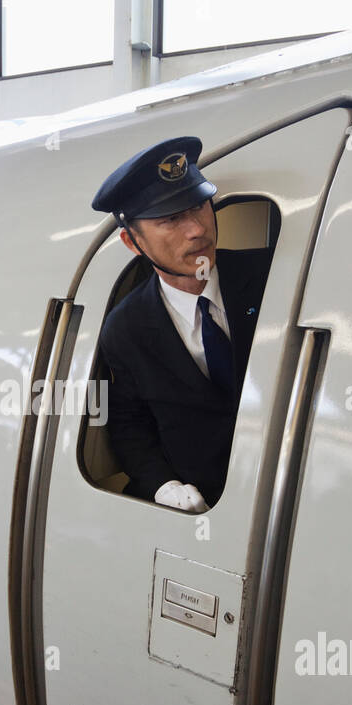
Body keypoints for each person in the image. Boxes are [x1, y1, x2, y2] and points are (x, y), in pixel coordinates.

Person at [91, 135, 273, 512]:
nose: (197, 229)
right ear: (132, 242)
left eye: (200, 206)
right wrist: (163, 485)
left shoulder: (271, 275)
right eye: (171, 219)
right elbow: (128, 424)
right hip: (204, 512)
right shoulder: (126, 329)